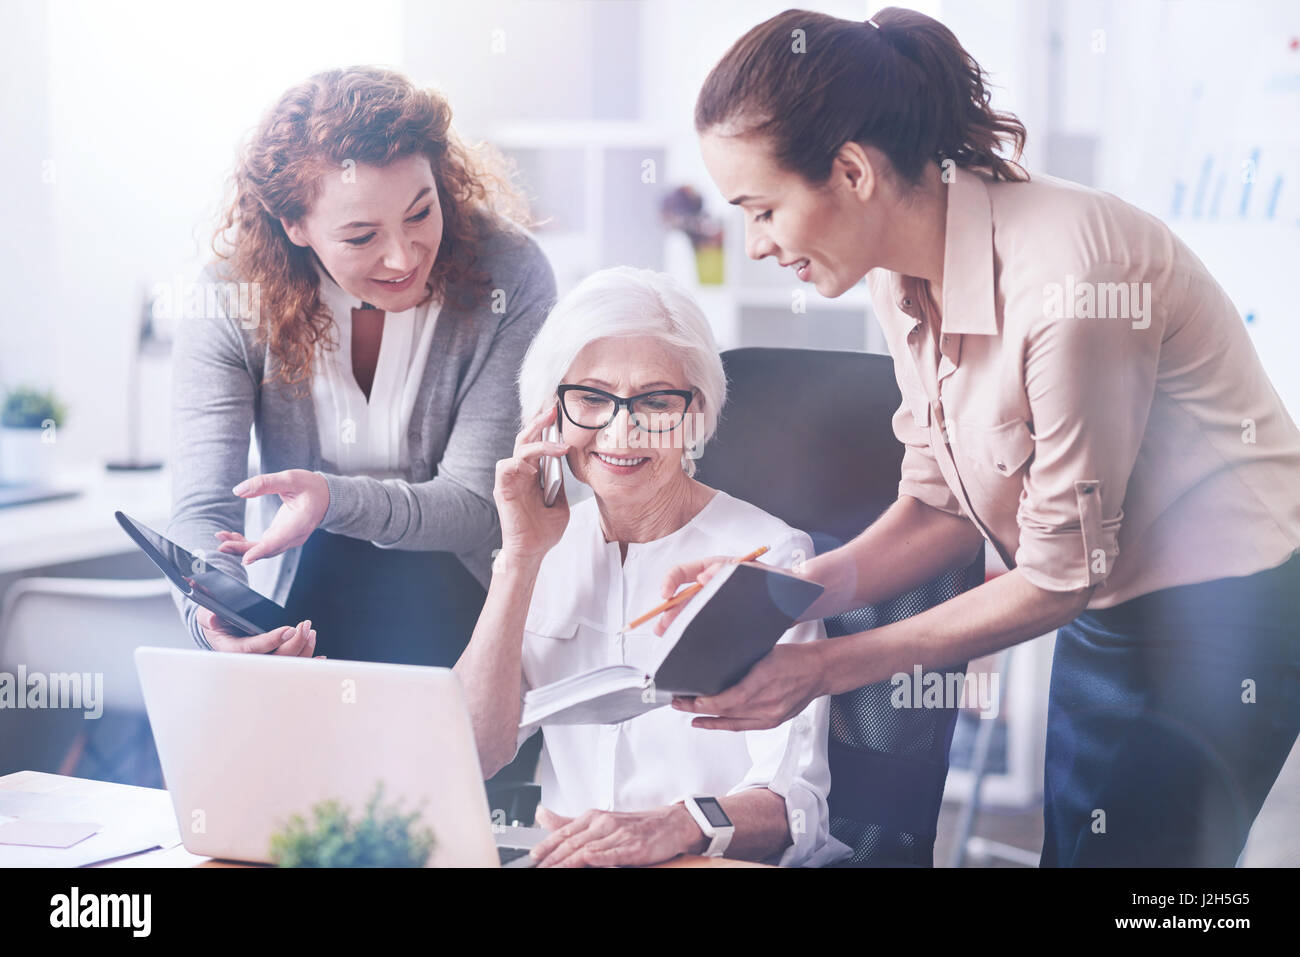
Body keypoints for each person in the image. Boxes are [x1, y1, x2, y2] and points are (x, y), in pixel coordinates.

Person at [656, 7, 1300, 866]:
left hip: (1228, 605)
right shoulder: (900, 276)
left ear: (851, 172)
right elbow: (938, 508)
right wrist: (785, 592)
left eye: (762, 209)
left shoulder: (1070, 285)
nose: (757, 243)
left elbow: (1060, 573)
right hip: (1104, 601)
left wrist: (825, 669)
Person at [454, 267, 852, 867]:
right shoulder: (541, 548)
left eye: (656, 401)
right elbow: (470, 754)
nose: (622, 430)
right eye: (590, 398)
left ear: (696, 414)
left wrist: (679, 827)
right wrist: (518, 559)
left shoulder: (768, 551)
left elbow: (795, 809)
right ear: (550, 416)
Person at [167, 66, 555, 668]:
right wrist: (211, 614)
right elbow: (205, 508)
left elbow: (477, 506)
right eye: (361, 235)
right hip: (302, 599)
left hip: (468, 594)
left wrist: (331, 501)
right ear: (293, 226)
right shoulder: (232, 296)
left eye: (421, 213)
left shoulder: (510, 270)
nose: (402, 256)